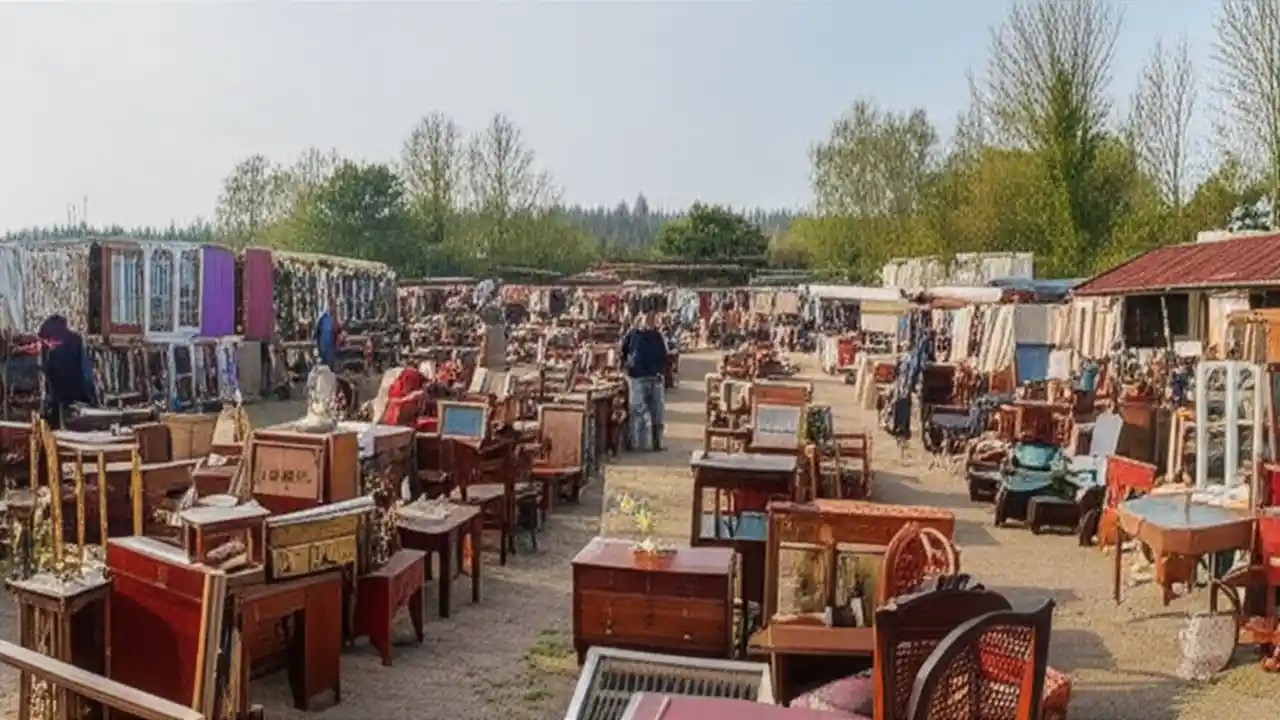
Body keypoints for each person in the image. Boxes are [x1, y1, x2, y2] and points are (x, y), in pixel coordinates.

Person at [619, 312, 668, 451]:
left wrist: (661, 371)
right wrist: (626, 367)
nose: (650, 322)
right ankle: (635, 443)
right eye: (647, 319)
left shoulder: (658, 336)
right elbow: (622, 351)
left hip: (655, 378)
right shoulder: (632, 335)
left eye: (652, 319)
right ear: (640, 320)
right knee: (636, 411)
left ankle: (657, 443)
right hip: (637, 378)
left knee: (657, 413)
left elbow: (664, 355)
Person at [37, 315, 93, 429]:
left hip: (60, 398)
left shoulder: (49, 343)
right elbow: (86, 370)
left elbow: (45, 370)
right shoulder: (76, 340)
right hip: (75, 395)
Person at [315, 302, 340, 370]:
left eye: (335, 307)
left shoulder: (335, 318)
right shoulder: (323, 318)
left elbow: (337, 331)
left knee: (330, 368)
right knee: (325, 367)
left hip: (331, 347)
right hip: (324, 346)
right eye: (333, 306)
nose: (334, 308)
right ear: (329, 306)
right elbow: (317, 333)